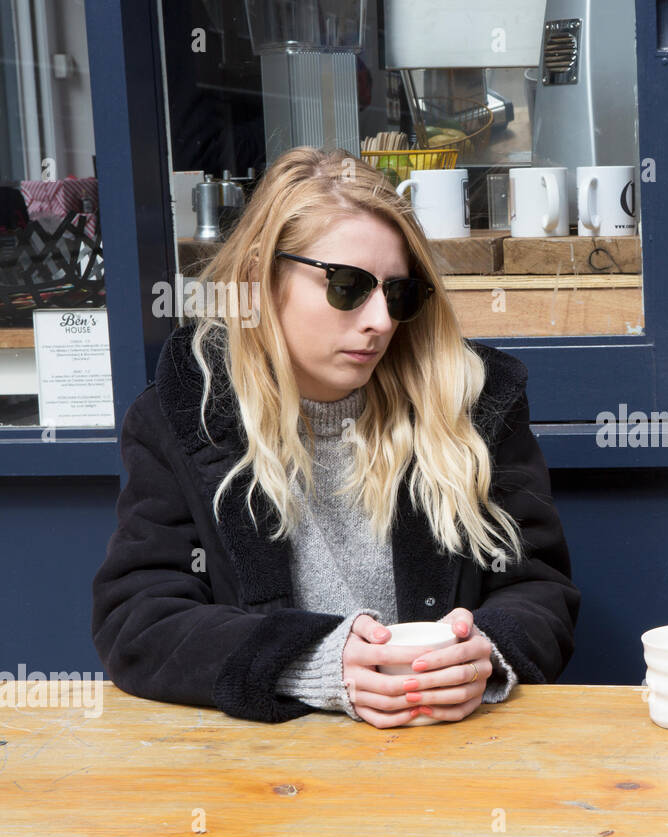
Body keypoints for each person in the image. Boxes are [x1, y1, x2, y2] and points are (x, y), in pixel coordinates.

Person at [92, 146, 579, 728]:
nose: (380, 321)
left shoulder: (469, 399)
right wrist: (309, 661)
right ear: (260, 278)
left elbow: (540, 589)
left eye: (398, 293)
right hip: (263, 777)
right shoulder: (188, 412)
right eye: (348, 286)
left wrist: (487, 654)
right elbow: (139, 620)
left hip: (449, 758)